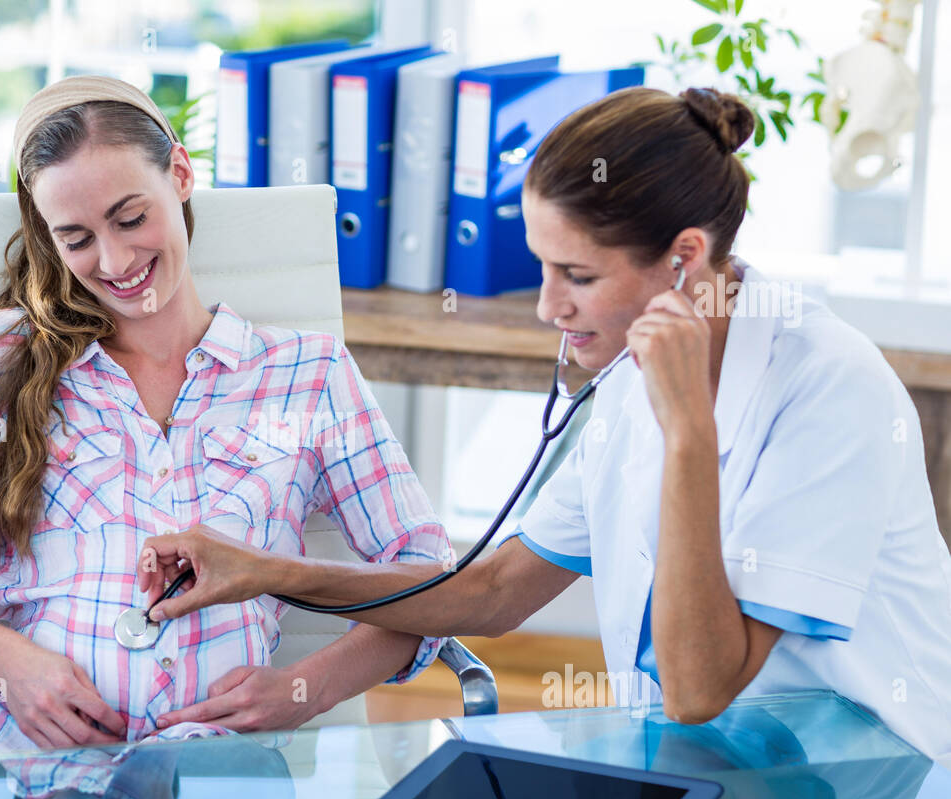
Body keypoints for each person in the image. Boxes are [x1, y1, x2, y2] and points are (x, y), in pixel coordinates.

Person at [137, 87, 951, 762]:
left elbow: (700, 689)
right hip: (703, 776)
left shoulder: (829, 392)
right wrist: (262, 569)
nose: (546, 307)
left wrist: (688, 440)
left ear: (685, 258)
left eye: (578, 275)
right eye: (541, 265)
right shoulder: (632, 374)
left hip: (861, 794)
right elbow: (494, 592)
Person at [0, 76, 451, 753]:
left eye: (130, 218)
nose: (116, 261)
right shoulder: (3, 358)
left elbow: (429, 576)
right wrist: (16, 666)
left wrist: (308, 688)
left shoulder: (308, 373)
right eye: (77, 238)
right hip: (37, 769)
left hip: (220, 773)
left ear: (179, 174)